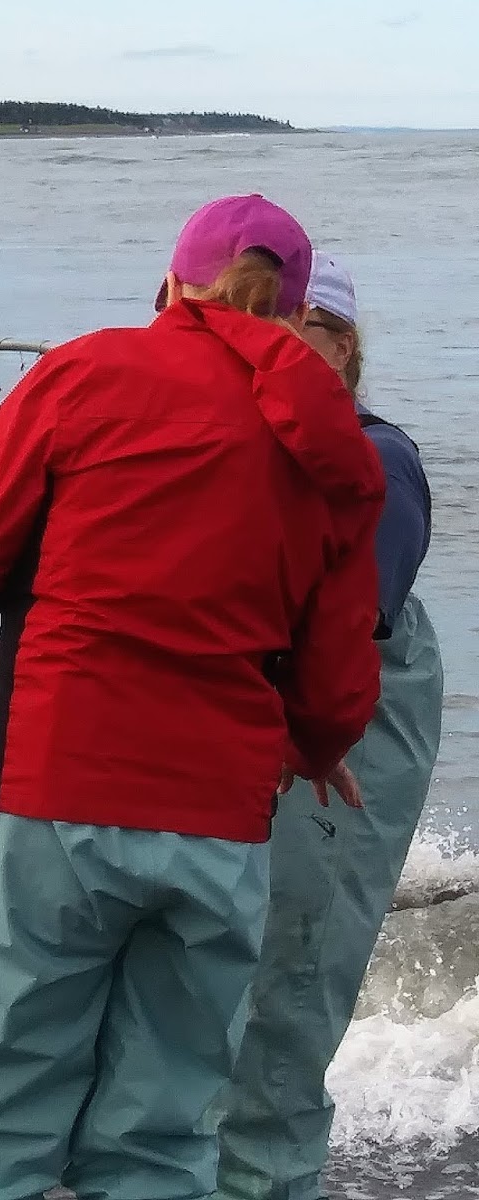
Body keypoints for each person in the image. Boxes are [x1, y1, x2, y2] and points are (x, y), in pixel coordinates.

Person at [0, 195, 387, 1200]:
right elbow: (338, 691)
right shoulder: (337, 447)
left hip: (39, 799)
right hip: (215, 835)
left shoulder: (86, 368)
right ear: (295, 315)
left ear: (172, 283)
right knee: (160, 1146)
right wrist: (313, 741)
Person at [214, 257, 442, 1200]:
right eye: (259, 317)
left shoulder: (378, 458)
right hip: (268, 750)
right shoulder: (256, 444)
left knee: (287, 1005)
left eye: (300, 322)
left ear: (342, 346)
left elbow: (349, 621)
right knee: (217, 1001)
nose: (273, 338)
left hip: (343, 755)